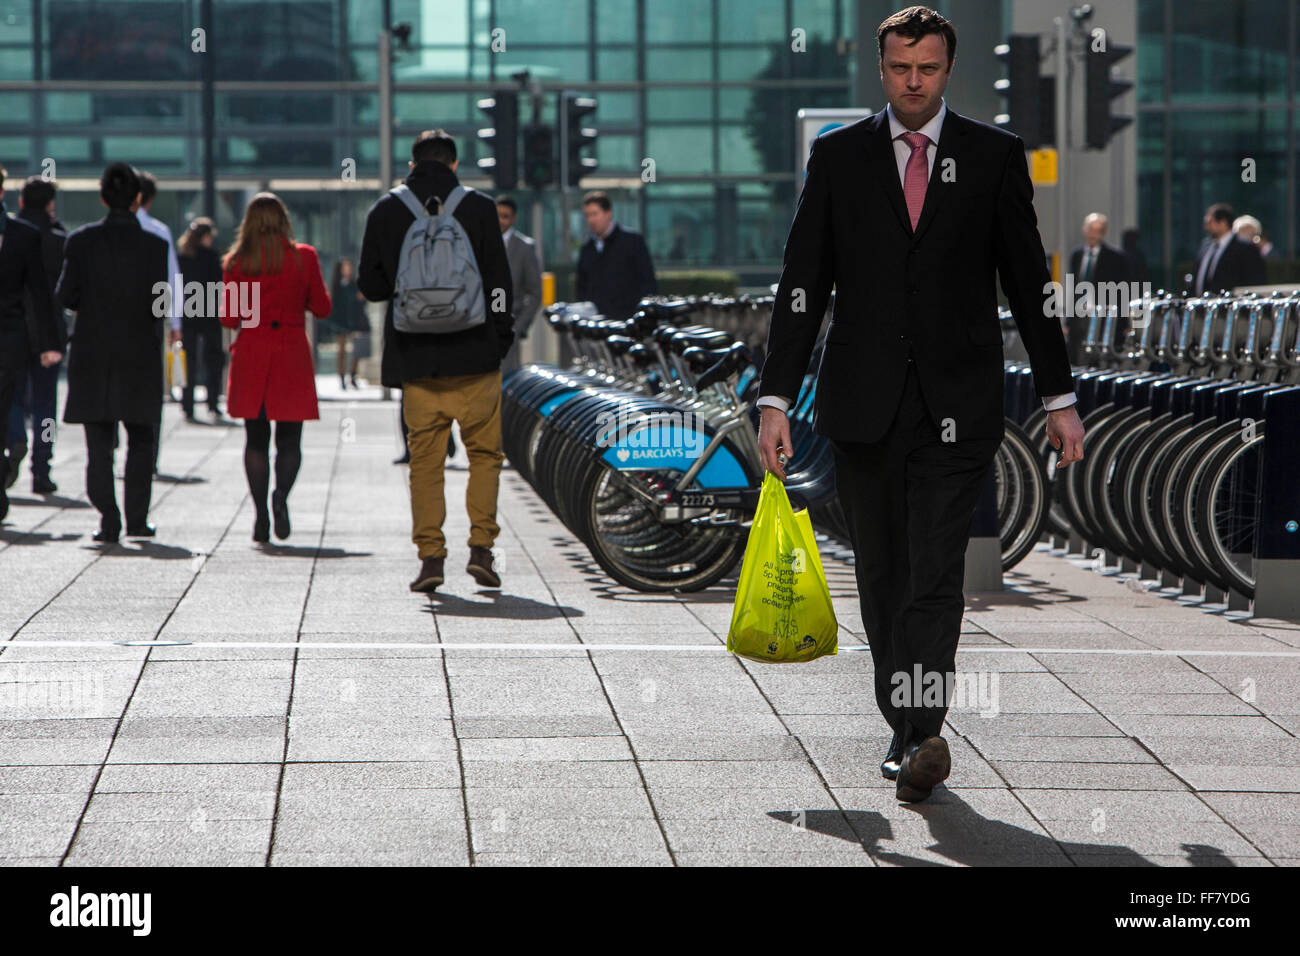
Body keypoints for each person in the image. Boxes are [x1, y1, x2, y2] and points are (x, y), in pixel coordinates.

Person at [756, 6, 1084, 804]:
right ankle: (906, 729)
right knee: (883, 578)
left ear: (948, 70)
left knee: (935, 573)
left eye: (928, 69)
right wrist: (775, 399)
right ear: (882, 67)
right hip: (862, 407)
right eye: (901, 68)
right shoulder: (838, 159)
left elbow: (1028, 289)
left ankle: (924, 731)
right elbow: (804, 285)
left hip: (956, 406)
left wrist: (1059, 396)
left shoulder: (994, 156)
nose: (914, 82)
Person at [358, 129, 513, 593]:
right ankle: (482, 549)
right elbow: (500, 285)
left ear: (411, 164)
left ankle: (431, 558)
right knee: (485, 456)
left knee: (425, 463)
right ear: (453, 165)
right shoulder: (480, 208)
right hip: (477, 359)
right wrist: (499, 339)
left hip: (416, 362)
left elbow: (372, 286)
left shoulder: (387, 210)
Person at [56, 163, 168, 541]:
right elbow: (160, 305)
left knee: (98, 443)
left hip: (93, 354)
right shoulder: (156, 246)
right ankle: (137, 518)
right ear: (138, 200)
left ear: (104, 197)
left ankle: (108, 517)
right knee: (142, 438)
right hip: (140, 355)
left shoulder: (81, 241)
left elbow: (66, 296)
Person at [220, 193, 331, 543]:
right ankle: (281, 496)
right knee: (290, 438)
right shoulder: (304, 257)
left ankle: (260, 517)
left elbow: (229, 317)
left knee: (255, 438)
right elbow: (323, 307)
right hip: (290, 354)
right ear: (284, 220)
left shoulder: (237, 262)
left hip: (253, 352)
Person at [0, 165, 62, 522]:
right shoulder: (59, 239)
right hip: (44, 336)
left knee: (8, 398)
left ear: (20, 199)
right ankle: (42, 464)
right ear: (51, 205)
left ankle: (13, 438)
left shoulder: (14, 231)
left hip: (11, 335)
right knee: (45, 407)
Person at [575, 190, 656, 320]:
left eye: (595, 214)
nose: (591, 220)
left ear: (608, 213)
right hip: (596, 326)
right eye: (587, 215)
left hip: (628, 323)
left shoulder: (632, 242)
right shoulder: (587, 248)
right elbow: (581, 287)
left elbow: (647, 282)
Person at [176, 217, 226, 422]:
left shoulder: (181, 258)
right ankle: (212, 403)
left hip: (187, 314)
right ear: (206, 236)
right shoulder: (213, 257)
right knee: (213, 361)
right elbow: (220, 285)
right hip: (210, 315)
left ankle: (187, 405)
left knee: (189, 361)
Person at [1066, 212, 1130, 365]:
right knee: (1078, 360)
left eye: (1098, 230)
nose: (1093, 234)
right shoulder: (1077, 255)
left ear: (1104, 233)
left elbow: (1122, 291)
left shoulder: (1115, 257)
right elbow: (1072, 288)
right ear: (1085, 230)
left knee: (1100, 360)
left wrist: (1123, 322)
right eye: (1091, 229)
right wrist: (1068, 321)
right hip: (1079, 317)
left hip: (1103, 318)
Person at [495, 196, 542, 373]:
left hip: (508, 325)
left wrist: (519, 327)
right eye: (497, 215)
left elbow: (535, 292)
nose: (500, 221)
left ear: (513, 218)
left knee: (506, 383)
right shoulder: (481, 242)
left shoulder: (524, 247)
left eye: (505, 216)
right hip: (484, 327)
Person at [1191, 203, 1266, 295]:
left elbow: (1255, 281)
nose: (1206, 227)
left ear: (1223, 223)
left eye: (1210, 222)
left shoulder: (1245, 249)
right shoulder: (1205, 246)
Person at [327, 257, 367, 389]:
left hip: (355, 321)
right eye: (345, 267)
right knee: (342, 351)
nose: (347, 269)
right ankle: (342, 376)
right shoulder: (337, 286)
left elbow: (361, 302)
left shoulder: (355, 284)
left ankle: (353, 375)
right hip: (341, 322)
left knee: (357, 350)